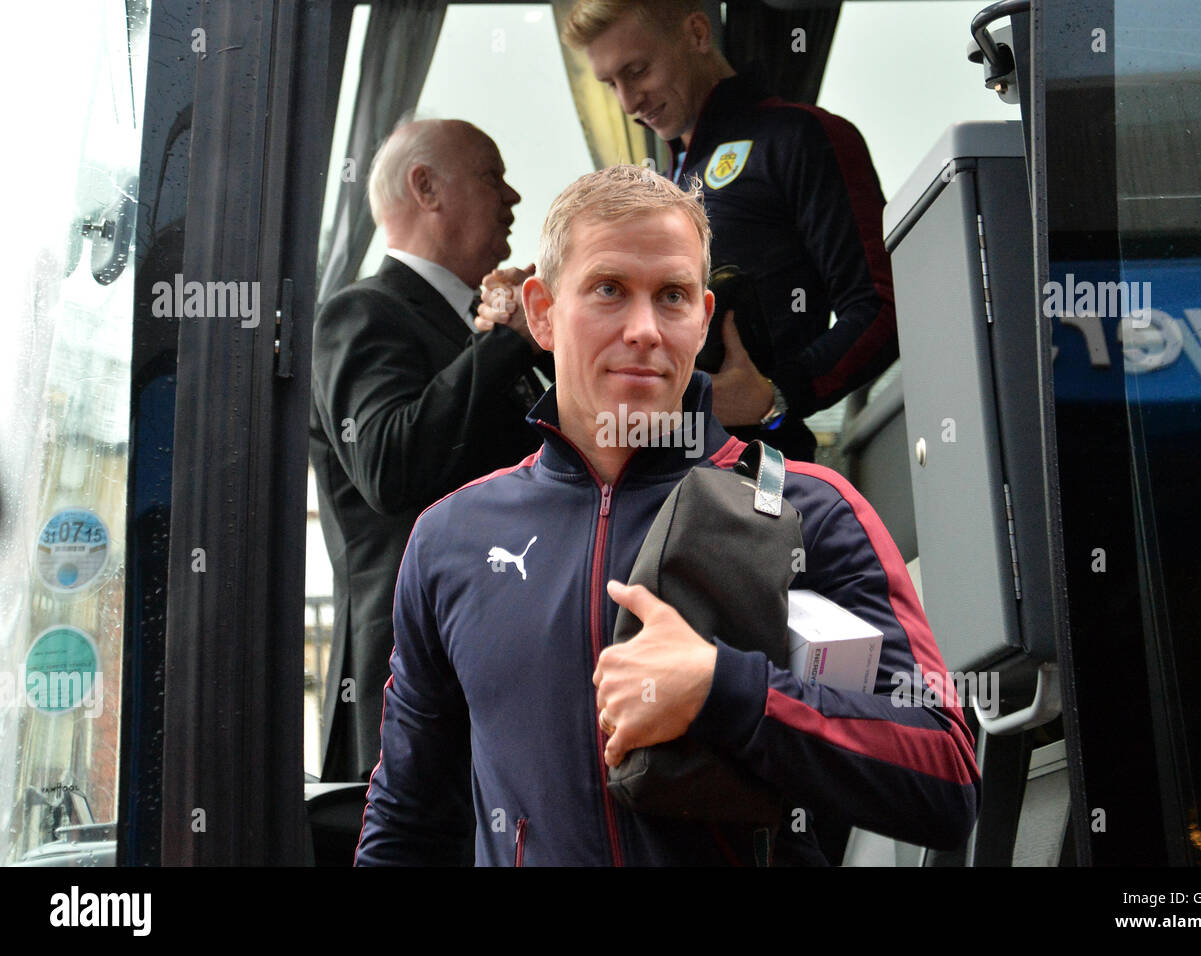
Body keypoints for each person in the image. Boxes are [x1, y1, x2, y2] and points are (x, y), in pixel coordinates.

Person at [355, 165, 978, 866]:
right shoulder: (452, 538)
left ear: (703, 320)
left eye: (673, 296)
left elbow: (946, 779)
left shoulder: (813, 509)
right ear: (541, 312)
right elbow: (407, 823)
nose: (645, 329)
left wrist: (724, 689)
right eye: (609, 290)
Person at [540, 0, 897, 462]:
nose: (628, 102)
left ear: (696, 34)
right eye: (611, 84)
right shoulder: (665, 184)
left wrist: (777, 395)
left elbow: (883, 304)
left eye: (638, 70)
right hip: (650, 470)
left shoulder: (803, 137)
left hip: (755, 467)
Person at [309, 119, 548, 784]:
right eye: (490, 175)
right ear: (425, 188)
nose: (513, 197)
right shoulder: (360, 313)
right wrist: (508, 344)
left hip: (503, 671)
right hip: (420, 688)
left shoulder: (480, 334)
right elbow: (390, 463)